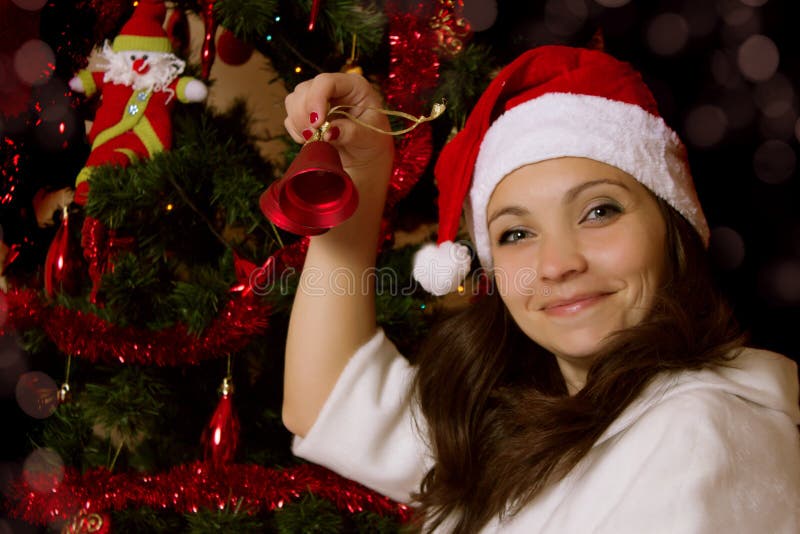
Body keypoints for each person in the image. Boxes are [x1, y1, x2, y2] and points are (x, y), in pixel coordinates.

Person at [281, 45, 800, 533]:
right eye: (517, 234)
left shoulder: (702, 434)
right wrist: (363, 172)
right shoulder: (525, 419)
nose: (556, 264)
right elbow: (325, 399)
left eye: (599, 211)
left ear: (674, 227)